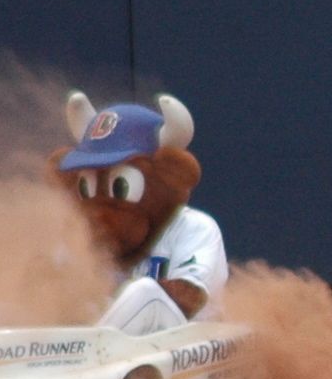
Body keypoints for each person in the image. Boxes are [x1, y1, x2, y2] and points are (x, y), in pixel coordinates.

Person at [47, 91, 228, 335]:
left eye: (119, 185)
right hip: (109, 356)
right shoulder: (82, 234)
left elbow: (190, 296)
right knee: (3, 311)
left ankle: (87, 361)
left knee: (145, 294)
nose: (100, 204)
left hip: (188, 351)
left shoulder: (194, 227)